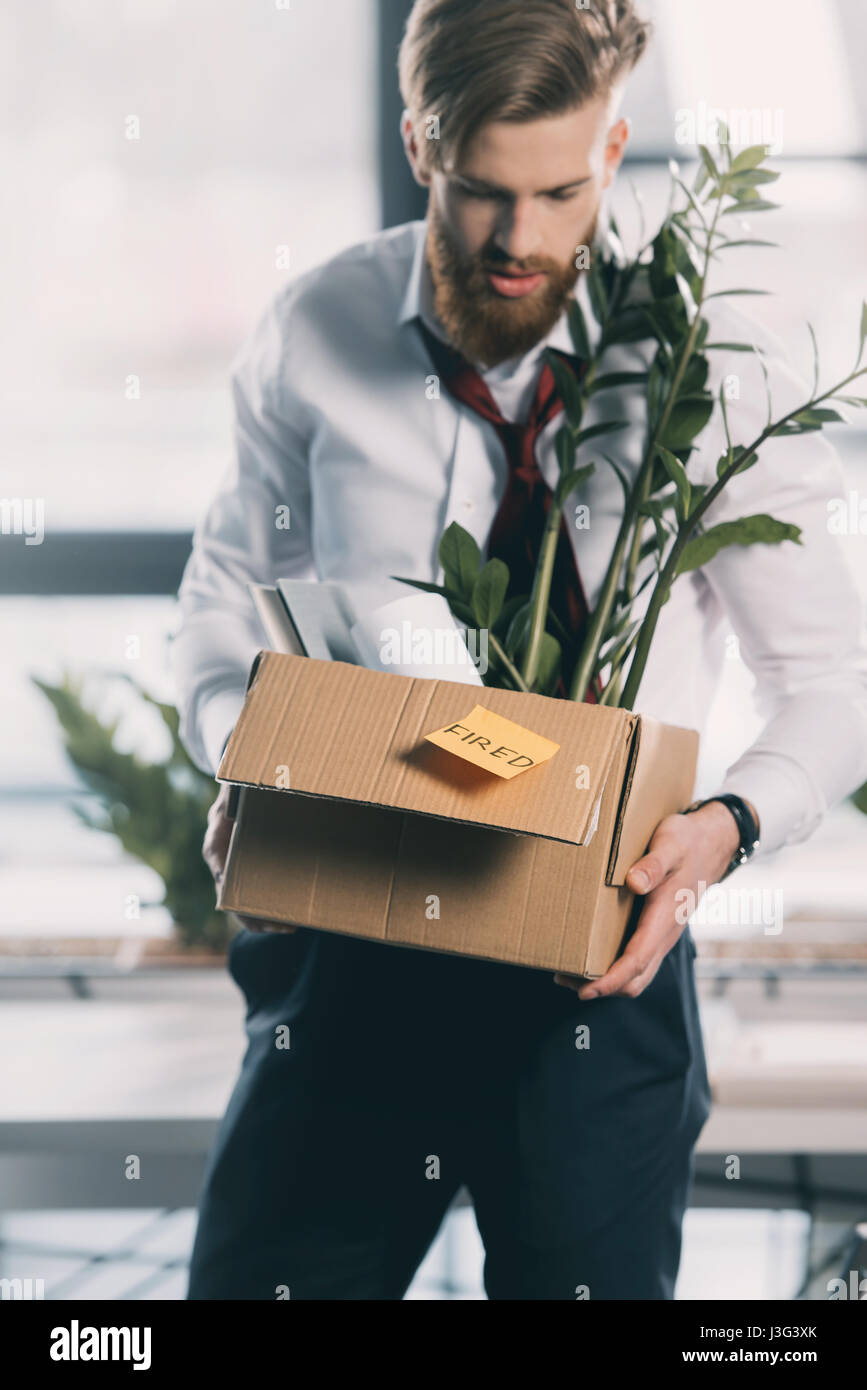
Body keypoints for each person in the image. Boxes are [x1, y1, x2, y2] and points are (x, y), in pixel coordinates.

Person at [171, 0, 867, 1299]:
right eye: (485, 192)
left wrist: (724, 822)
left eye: (558, 191)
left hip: (594, 974)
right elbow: (220, 603)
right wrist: (240, 749)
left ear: (612, 153)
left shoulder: (712, 365)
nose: (521, 241)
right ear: (419, 140)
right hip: (353, 957)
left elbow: (833, 681)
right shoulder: (312, 334)